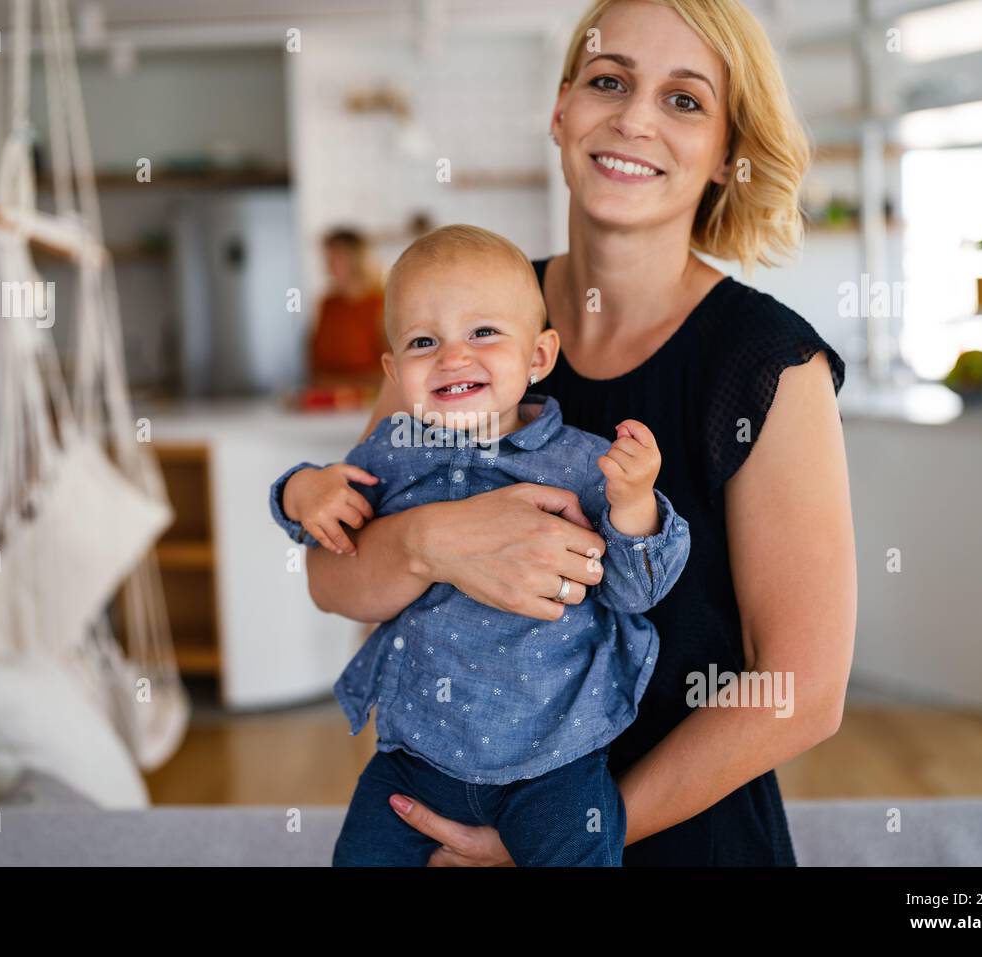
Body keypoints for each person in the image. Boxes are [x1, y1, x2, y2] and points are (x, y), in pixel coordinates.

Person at [285, 0, 857, 866]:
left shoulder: (771, 364)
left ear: (726, 156)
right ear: (560, 114)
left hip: (680, 843)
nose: (634, 117)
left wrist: (563, 835)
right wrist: (435, 540)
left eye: (685, 100)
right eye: (608, 81)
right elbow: (332, 572)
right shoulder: (459, 322)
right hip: (454, 805)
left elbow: (803, 690)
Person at [269, 225, 691, 865]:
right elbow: (325, 536)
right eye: (422, 341)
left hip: (555, 760)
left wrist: (633, 505)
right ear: (393, 371)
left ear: (539, 357)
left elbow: (636, 591)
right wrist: (302, 489)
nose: (452, 357)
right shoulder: (390, 452)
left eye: (484, 333)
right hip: (415, 759)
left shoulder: (583, 463)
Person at [307, 227, 388, 387]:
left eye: (334, 258)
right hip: (330, 398)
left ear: (354, 259)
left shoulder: (380, 304)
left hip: (368, 399)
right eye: (327, 259)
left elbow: (393, 369)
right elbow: (316, 363)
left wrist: (345, 383)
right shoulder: (327, 304)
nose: (327, 267)